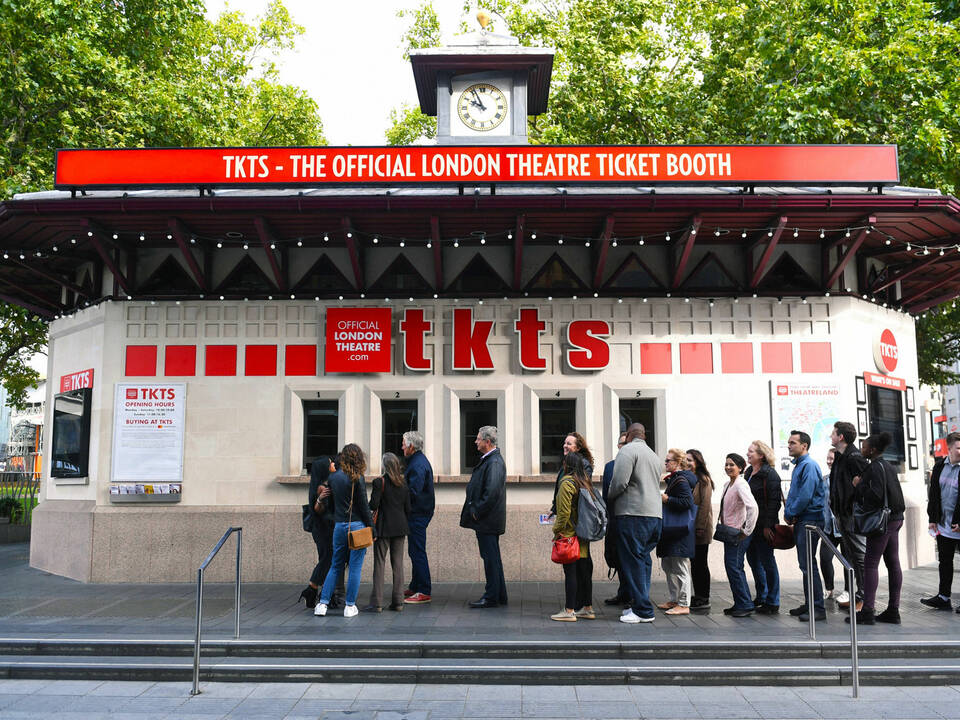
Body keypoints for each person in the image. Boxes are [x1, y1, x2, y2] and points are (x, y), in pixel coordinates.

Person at [608, 423, 663, 624]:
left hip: (632, 514)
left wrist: (609, 496)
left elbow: (619, 482)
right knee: (643, 560)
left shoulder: (627, 450)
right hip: (655, 516)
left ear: (629, 435)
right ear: (644, 435)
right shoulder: (654, 455)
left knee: (632, 562)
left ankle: (643, 610)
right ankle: (640, 604)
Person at [848, 432, 905, 625]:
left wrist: (859, 485)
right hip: (896, 519)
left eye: (863, 446)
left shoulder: (874, 467)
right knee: (893, 562)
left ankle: (868, 610)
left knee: (870, 563)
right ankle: (893, 609)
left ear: (872, 450)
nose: (861, 449)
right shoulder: (888, 465)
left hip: (882, 522)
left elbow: (875, 495)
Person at [314, 443, 374, 618]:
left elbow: (331, 507)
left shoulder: (333, 478)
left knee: (336, 565)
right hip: (357, 526)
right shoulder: (358, 477)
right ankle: (349, 606)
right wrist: (372, 528)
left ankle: (322, 604)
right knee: (355, 568)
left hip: (339, 525)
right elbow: (363, 506)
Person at [461, 425, 508, 608]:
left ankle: (491, 596)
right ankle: (499, 594)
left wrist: (475, 511)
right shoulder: (490, 460)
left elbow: (491, 493)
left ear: (487, 442)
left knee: (490, 558)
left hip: (487, 520)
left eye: (478, 439)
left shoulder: (494, 462)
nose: (476, 442)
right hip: (487, 520)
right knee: (492, 557)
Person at [784, 430, 828, 622]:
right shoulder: (800, 465)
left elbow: (805, 495)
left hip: (810, 519)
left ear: (804, 446)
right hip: (803, 519)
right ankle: (810, 603)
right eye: (789, 442)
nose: (789, 445)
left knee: (809, 565)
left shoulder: (809, 465)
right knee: (805, 564)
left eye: (793, 443)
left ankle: (818, 607)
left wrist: (791, 512)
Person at [550, 451, 596, 621]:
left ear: (565, 465)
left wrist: (556, 531)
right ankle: (587, 608)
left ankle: (569, 611)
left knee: (570, 573)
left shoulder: (567, 483)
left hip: (570, 534)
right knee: (584, 572)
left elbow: (563, 513)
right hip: (584, 534)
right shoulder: (584, 483)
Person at [829, 420, 869, 611]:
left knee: (859, 556)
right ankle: (858, 594)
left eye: (833, 433)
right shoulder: (840, 456)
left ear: (841, 436)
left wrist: (853, 504)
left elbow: (865, 484)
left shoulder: (853, 457)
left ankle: (864, 597)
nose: (831, 436)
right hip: (842, 513)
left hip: (852, 514)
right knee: (852, 556)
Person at [364, 452, 411, 613]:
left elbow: (373, 505)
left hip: (383, 528)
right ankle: (398, 601)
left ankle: (376, 602)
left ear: (385, 466)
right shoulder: (403, 483)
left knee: (379, 564)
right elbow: (408, 508)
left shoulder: (379, 482)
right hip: (400, 527)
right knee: (398, 564)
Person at [921, 431, 960, 611]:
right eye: (958, 448)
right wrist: (933, 519)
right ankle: (944, 597)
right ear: (949, 448)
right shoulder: (938, 467)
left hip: (958, 523)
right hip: (943, 524)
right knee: (945, 561)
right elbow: (934, 494)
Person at [656, 449, 697, 616]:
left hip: (679, 531)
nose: (665, 463)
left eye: (668, 461)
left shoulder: (681, 480)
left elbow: (687, 502)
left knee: (680, 567)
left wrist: (667, 499)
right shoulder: (675, 479)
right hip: (673, 531)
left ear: (678, 463)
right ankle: (674, 599)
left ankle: (683, 603)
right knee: (668, 565)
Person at [718, 453, 759, 617]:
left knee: (734, 567)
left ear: (740, 468)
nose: (728, 467)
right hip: (729, 533)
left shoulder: (741, 484)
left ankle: (745, 604)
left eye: (732, 465)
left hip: (737, 534)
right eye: (726, 464)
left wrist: (747, 530)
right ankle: (740, 602)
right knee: (733, 567)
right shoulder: (728, 484)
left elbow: (753, 507)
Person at [744, 440, 782, 614]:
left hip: (764, 526)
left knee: (767, 562)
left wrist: (768, 526)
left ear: (761, 455)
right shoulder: (749, 472)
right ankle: (762, 595)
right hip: (750, 525)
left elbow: (774, 503)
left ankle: (773, 601)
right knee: (753, 561)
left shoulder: (770, 474)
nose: (748, 454)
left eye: (751, 451)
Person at [402, 430, 435, 605]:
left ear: (411, 446)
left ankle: (424, 590)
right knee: (414, 550)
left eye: (403, 444)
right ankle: (415, 586)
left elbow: (413, 491)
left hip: (418, 513)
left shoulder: (417, 464)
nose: (401, 447)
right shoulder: (416, 461)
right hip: (419, 512)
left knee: (417, 551)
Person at [299, 455, 336, 611]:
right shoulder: (322, 487)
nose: (333, 464)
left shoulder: (320, 484)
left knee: (326, 559)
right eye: (330, 463)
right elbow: (318, 509)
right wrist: (320, 499)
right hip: (324, 529)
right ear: (324, 469)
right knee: (328, 559)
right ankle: (313, 589)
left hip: (321, 529)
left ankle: (317, 593)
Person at [603, 432, 629, 606]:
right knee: (617, 557)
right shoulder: (610, 466)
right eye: (621, 444)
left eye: (627, 444)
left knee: (630, 558)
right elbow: (606, 493)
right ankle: (623, 592)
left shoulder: (637, 464)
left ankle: (632, 595)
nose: (624, 447)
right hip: (614, 517)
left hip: (630, 518)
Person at [686, 449, 714, 609]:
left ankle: (704, 596)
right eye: (686, 460)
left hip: (701, 527)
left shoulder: (704, 480)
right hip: (693, 527)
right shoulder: (690, 479)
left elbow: (704, 506)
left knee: (701, 563)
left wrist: (700, 527)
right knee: (695, 563)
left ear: (698, 462)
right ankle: (698, 594)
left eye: (690, 460)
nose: (688, 463)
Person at [820, 448, 846, 601]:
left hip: (844, 527)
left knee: (847, 561)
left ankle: (848, 591)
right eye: (828, 458)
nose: (829, 461)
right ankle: (829, 588)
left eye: (832, 459)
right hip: (829, 528)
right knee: (824, 557)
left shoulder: (844, 479)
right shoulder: (824, 480)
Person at [550, 432, 595, 516]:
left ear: (578, 448)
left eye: (569, 444)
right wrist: (554, 509)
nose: (565, 446)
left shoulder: (584, 465)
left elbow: (582, 491)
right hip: (565, 512)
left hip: (576, 515)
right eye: (565, 443)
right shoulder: (565, 464)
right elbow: (559, 490)